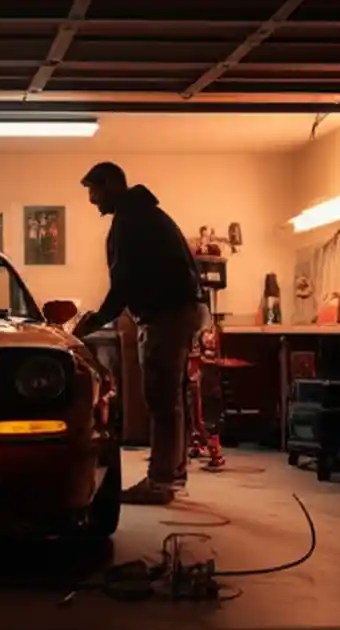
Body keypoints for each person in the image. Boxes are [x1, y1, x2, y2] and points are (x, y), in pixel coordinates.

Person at [72, 162, 208, 505]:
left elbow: (123, 283)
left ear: (112, 186)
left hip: (167, 315)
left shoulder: (131, 220)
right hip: (180, 311)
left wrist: (95, 320)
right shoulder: (147, 213)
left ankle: (160, 482)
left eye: (94, 190)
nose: (92, 199)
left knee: (161, 398)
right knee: (171, 398)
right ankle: (172, 474)